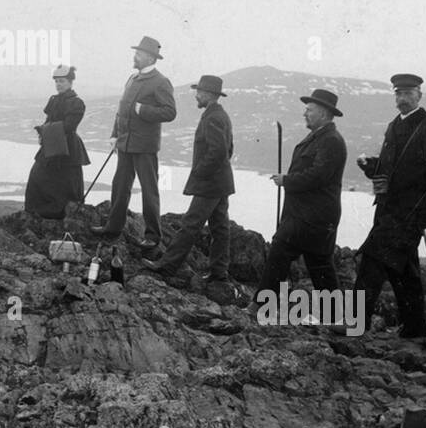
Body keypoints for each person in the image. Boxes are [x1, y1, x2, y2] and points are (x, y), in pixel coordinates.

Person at [354, 73, 426, 338]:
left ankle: (354, 322)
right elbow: (393, 170)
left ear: (419, 95)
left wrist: (424, 215)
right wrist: (372, 166)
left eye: (408, 93)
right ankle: (415, 328)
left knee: (373, 261)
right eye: (398, 93)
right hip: (388, 211)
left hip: (409, 215)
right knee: (403, 271)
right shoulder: (393, 126)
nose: (402, 98)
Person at [256, 88, 347, 307]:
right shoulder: (320, 137)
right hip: (309, 216)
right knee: (320, 265)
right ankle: (337, 317)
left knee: (281, 250)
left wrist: (286, 181)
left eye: (309, 110)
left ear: (324, 113)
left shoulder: (331, 140)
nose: (304, 114)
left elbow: (318, 175)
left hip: (311, 217)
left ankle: (260, 305)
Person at [141, 74, 234, 284]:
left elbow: (219, 151)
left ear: (209, 95)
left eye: (199, 92)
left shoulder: (213, 117)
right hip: (221, 182)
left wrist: (201, 172)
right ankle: (219, 272)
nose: (196, 96)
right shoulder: (220, 115)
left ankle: (166, 266)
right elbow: (229, 149)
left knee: (190, 225)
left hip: (210, 183)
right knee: (220, 228)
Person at [91, 36, 176, 249]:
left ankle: (153, 236)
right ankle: (113, 228)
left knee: (149, 190)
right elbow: (122, 111)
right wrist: (114, 134)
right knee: (120, 186)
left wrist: (143, 110)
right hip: (125, 144)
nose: (134, 57)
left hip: (145, 147)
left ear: (149, 58)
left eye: (138, 54)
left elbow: (170, 112)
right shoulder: (132, 79)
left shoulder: (161, 82)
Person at [24, 64, 91, 219]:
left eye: (62, 81)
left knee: (66, 182)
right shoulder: (54, 100)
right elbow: (49, 119)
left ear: (70, 82)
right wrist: (43, 130)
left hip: (68, 148)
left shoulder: (77, 103)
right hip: (51, 143)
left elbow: (69, 126)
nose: (59, 84)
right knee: (37, 175)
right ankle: (39, 211)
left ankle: (61, 212)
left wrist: (44, 130)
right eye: (57, 81)